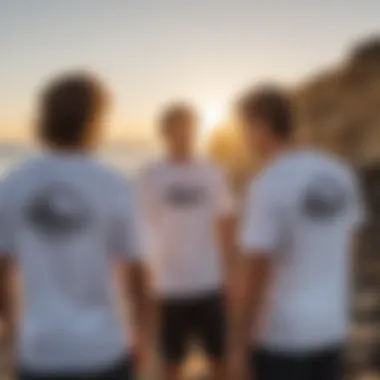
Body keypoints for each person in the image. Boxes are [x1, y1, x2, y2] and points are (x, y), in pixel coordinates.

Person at [0, 72, 150, 380]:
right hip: (103, 348)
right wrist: (141, 334)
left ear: (43, 120)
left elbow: (2, 268)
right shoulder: (114, 184)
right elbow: (137, 272)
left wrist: (14, 333)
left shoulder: (13, 184)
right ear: (95, 122)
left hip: (39, 350)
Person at [228, 86, 366, 380]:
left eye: (245, 129)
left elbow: (256, 271)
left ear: (261, 126)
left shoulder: (267, 183)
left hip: (282, 338)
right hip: (331, 328)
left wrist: (238, 348)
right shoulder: (340, 172)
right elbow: (348, 247)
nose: (245, 139)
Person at [138, 103, 235, 380]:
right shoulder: (150, 175)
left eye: (189, 130)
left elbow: (226, 221)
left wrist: (231, 274)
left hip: (210, 281)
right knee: (171, 363)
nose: (184, 136)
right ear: (165, 134)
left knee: (220, 359)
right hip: (169, 285)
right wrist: (145, 279)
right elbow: (140, 230)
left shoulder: (213, 171)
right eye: (177, 130)